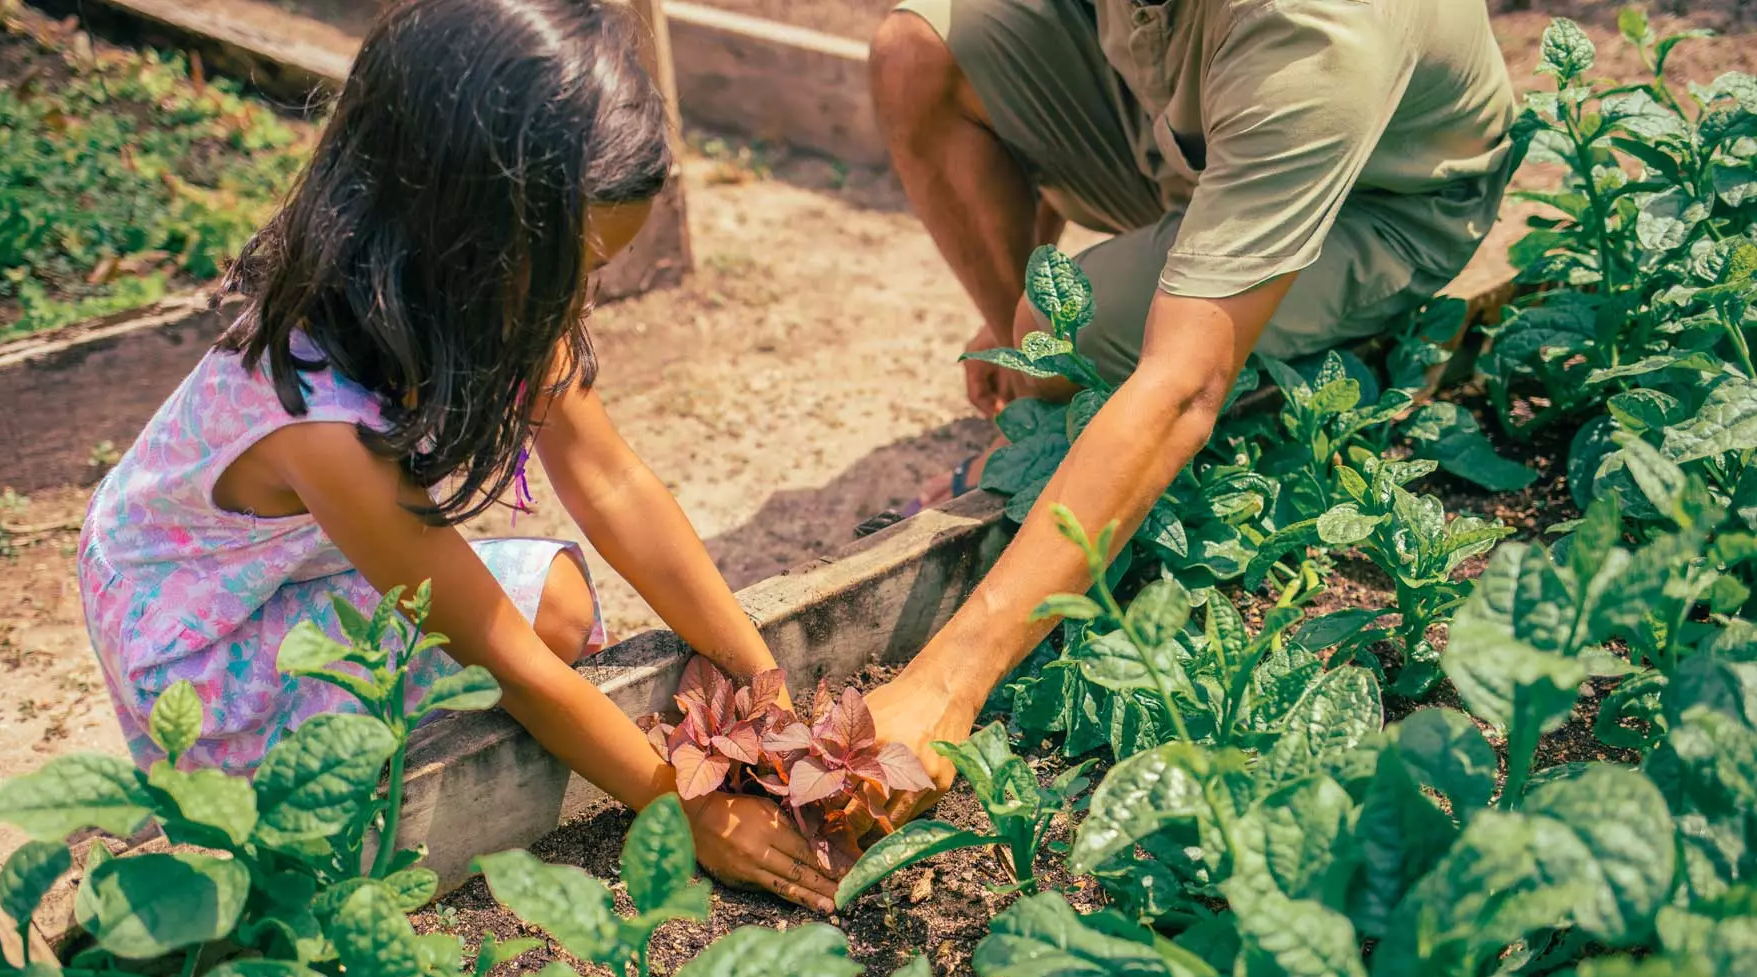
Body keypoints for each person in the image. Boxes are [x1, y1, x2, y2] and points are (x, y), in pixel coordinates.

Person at [76, 0, 839, 913]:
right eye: (568, 274)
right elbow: (504, 659)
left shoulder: (499, 296)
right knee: (327, 803)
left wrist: (763, 688)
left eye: (589, 279)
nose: (576, 305)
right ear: (458, 228)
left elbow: (611, 481)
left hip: (294, 575)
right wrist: (685, 813)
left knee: (558, 604)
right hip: (201, 637)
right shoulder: (324, 424)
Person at [860, 0, 1516, 798]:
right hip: (1186, 116)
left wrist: (947, 683)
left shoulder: (1317, 28)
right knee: (916, 52)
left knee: (1059, 325)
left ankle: (1070, 417)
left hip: (1374, 199)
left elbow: (1184, 388)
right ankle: (1049, 406)